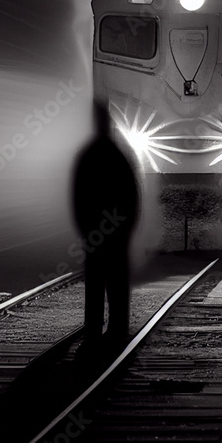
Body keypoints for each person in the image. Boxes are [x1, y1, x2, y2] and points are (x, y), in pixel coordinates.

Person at [72, 100, 140, 355]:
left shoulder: (86, 155)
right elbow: (132, 196)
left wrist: (85, 230)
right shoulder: (119, 156)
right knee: (117, 284)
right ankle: (118, 331)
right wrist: (127, 228)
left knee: (95, 286)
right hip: (116, 234)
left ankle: (93, 335)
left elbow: (78, 196)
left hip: (94, 233)